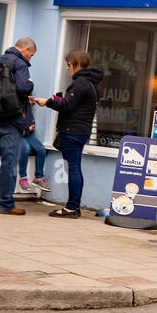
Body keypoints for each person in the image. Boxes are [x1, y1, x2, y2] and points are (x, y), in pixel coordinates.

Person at [33, 49, 102, 218]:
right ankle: (74, 206)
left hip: (73, 131)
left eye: (69, 64)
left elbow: (68, 106)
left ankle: (71, 208)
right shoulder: (92, 83)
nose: (67, 68)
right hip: (82, 130)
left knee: (73, 169)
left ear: (77, 64)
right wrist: (58, 100)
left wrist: (47, 102)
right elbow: (75, 104)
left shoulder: (80, 83)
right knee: (75, 168)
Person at [0, 37, 36, 215]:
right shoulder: (20, 64)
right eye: (30, 55)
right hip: (11, 118)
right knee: (9, 161)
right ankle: (6, 203)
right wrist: (30, 85)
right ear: (25, 49)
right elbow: (23, 89)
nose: (29, 59)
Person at [18, 126, 49, 193]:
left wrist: (27, 129)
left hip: (27, 134)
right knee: (26, 149)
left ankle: (39, 178)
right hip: (16, 134)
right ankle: (23, 178)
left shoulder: (28, 114)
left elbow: (31, 124)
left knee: (41, 149)